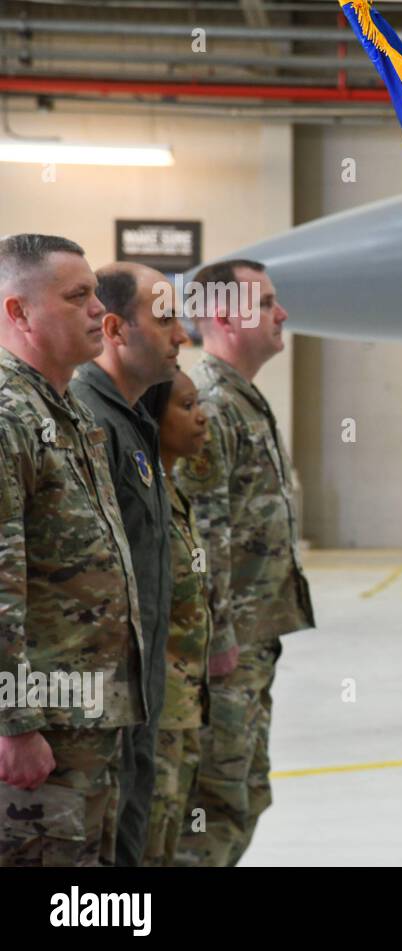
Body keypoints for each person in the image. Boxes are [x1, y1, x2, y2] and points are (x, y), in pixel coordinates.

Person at [0, 234, 145, 866]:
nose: (98, 311)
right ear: (19, 312)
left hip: (87, 719)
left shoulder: (64, 411)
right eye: (77, 296)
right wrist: (14, 723)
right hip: (43, 727)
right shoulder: (8, 418)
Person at [175, 259, 314, 866]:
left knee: (244, 793)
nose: (282, 314)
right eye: (267, 302)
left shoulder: (240, 398)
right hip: (223, 654)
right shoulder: (211, 403)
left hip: (250, 644)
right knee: (215, 802)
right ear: (225, 316)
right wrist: (218, 637)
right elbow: (202, 532)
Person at [69, 262, 190, 866]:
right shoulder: (91, 422)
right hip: (97, 708)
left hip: (135, 698)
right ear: (116, 329)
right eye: (166, 319)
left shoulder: (133, 418)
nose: (182, 336)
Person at [141, 371, 220, 866]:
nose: (201, 416)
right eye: (186, 405)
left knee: (170, 836)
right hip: (157, 708)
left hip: (183, 703)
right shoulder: (142, 493)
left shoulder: (170, 489)